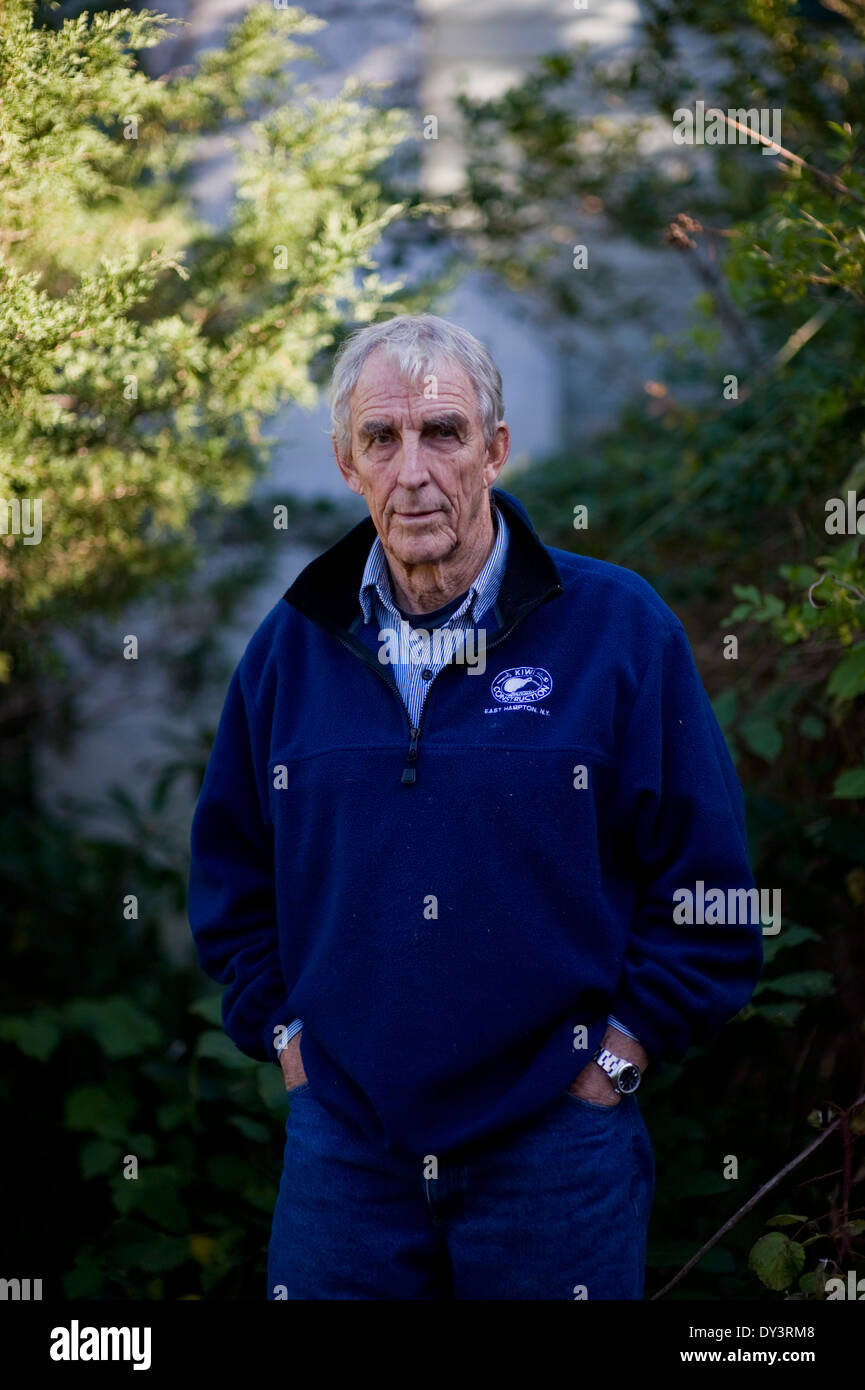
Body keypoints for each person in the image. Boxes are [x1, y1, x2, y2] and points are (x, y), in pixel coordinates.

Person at [188, 313, 763, 1300]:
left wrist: (612, 1064)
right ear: (346, 462)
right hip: (347, 1151)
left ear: (496, 449)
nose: (412, 471)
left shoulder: (616, 630)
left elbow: (707, 892)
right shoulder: (292, 645)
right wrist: (289, 1044)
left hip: (554, 1149)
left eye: (443, 432)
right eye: (382, 438)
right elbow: (233, 879)